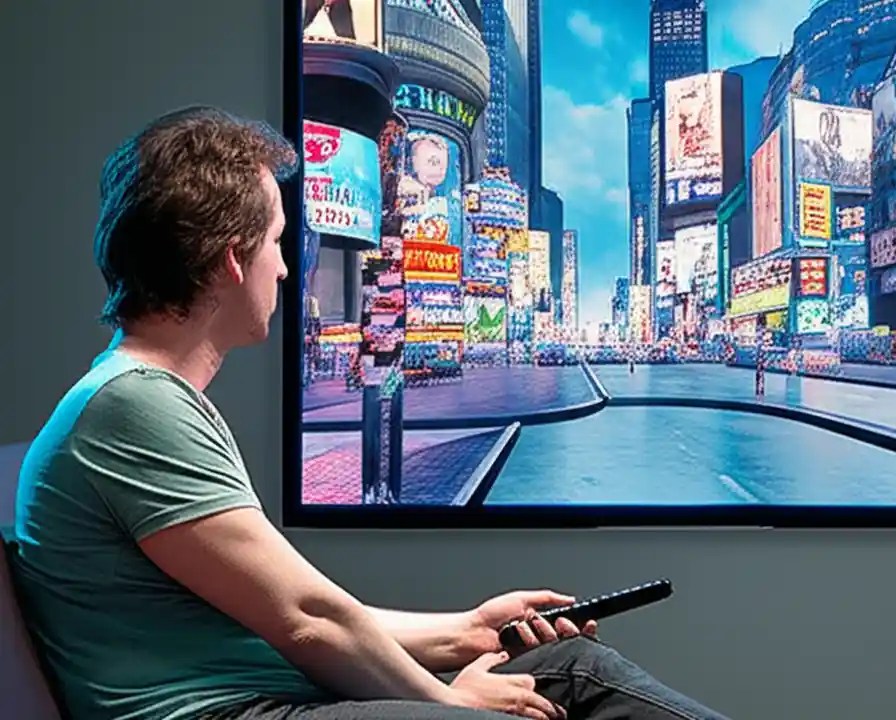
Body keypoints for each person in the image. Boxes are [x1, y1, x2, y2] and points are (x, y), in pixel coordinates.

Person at [10, 106, 732, 720]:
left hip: (262, 695)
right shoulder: (134, 404)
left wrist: (468, 631)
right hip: (230, 711)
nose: (285, 267)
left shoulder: (141, 398)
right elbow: (307, 621)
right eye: (276, 242)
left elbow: (300, 610)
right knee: (541, 692)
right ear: (232, 260)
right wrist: (449, 703)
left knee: (564, 661)